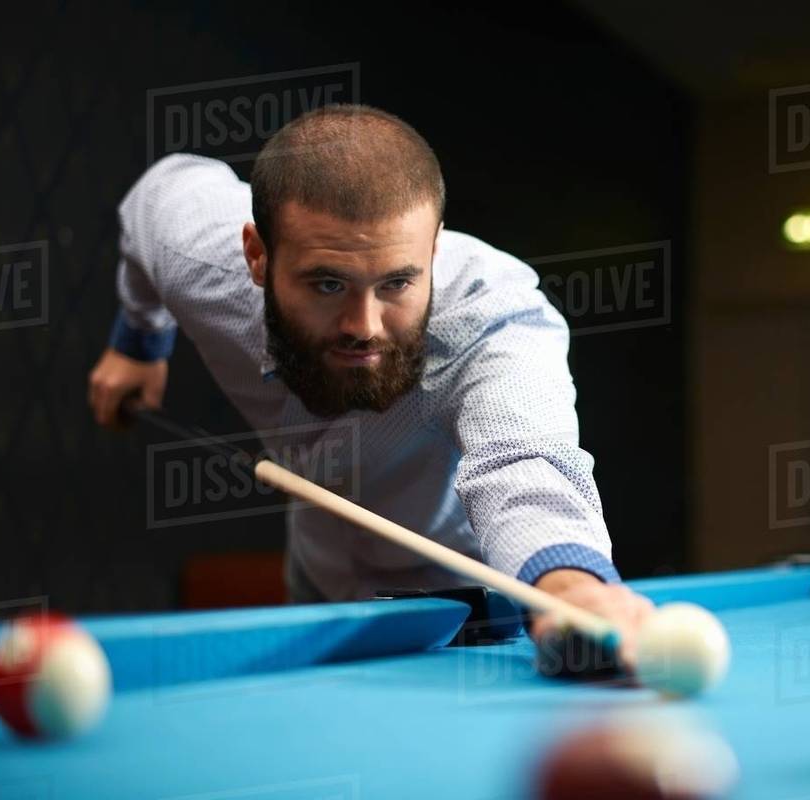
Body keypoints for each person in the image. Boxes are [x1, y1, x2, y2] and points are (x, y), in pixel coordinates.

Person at [87, 104, 653, 664]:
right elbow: (153, 198)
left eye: (397, 283)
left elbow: (523, 459)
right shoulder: (201, 260)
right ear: (257, 256)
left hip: (471, 609)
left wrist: (572, 587)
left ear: (432, 253)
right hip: (321, 583)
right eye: (328, 284)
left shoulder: (491, 319)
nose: (364, 326)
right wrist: (137, 341)